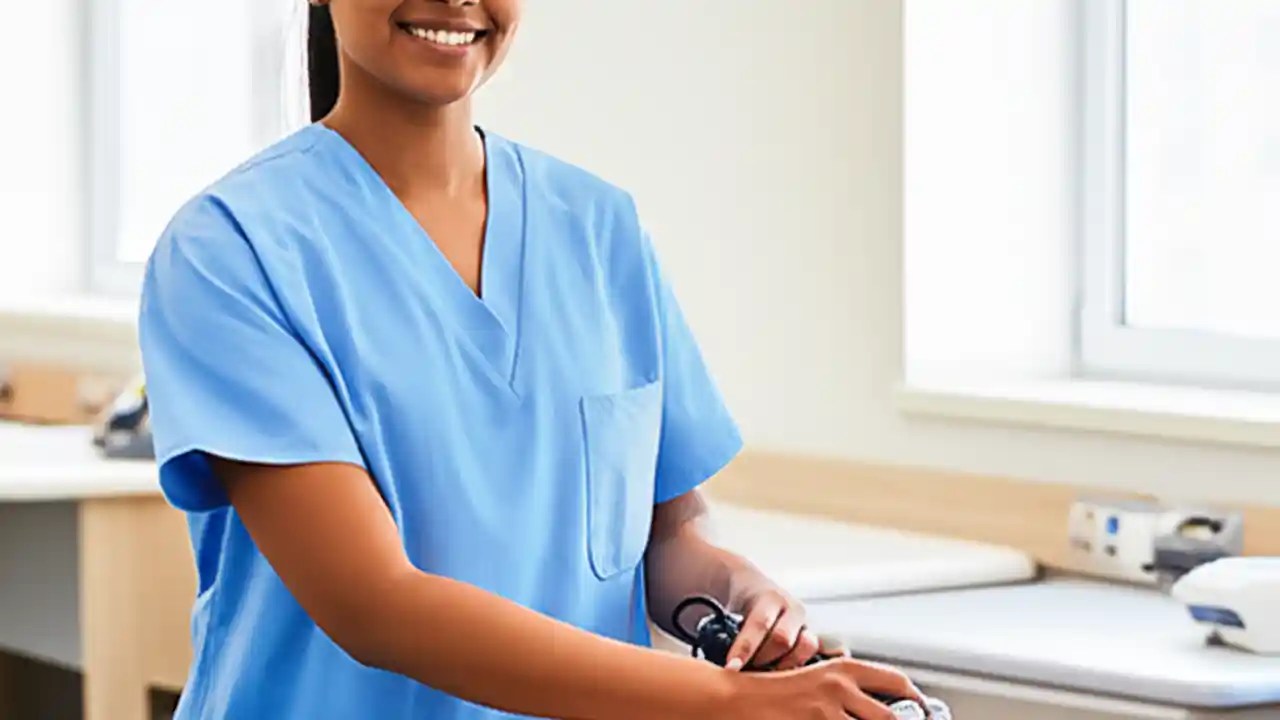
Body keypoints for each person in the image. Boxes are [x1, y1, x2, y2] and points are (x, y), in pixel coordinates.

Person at [138, 1, 928, 717]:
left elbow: (666, 541)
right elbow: (373, 605)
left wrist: (740, 596)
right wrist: (729, 701)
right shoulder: (230, 251)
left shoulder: (597, 228)